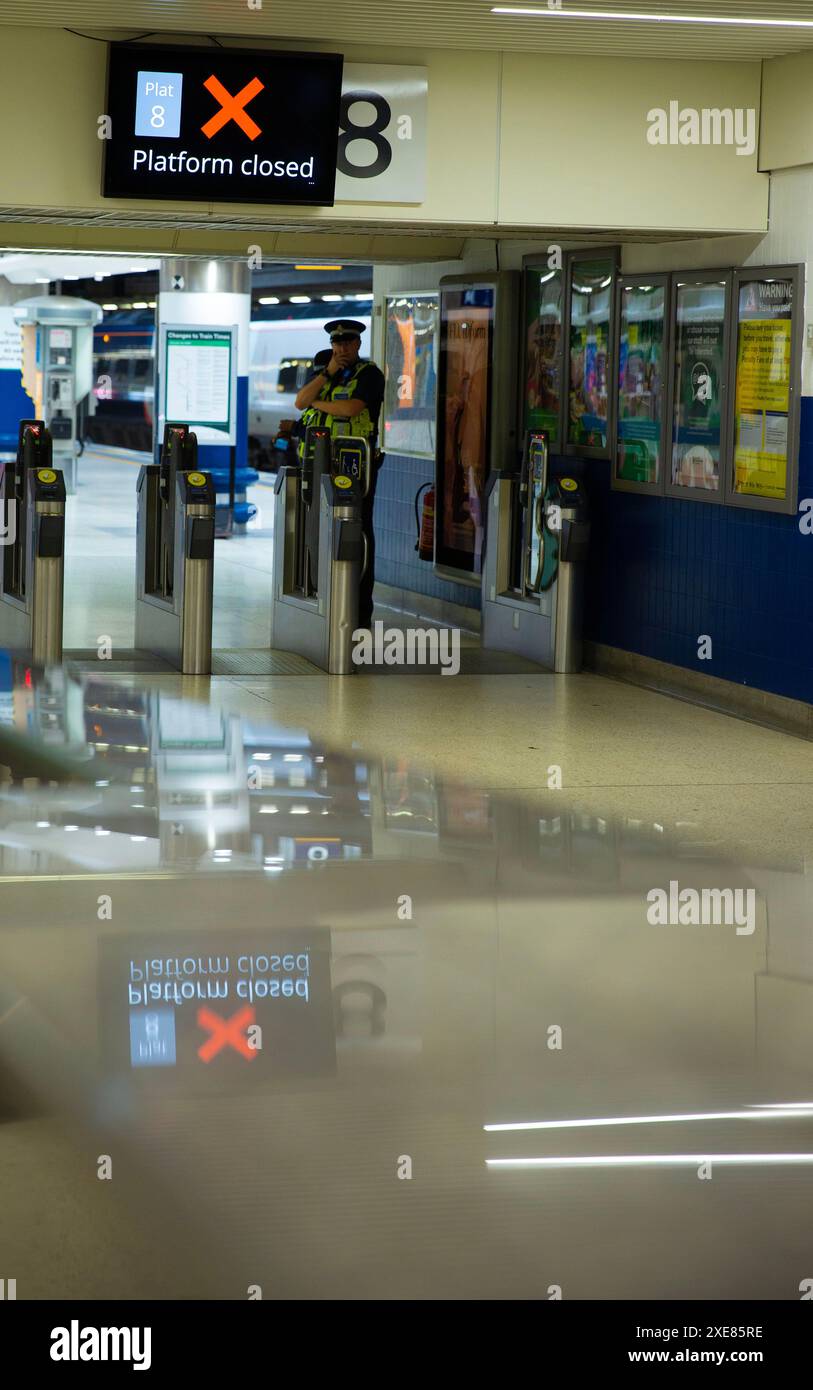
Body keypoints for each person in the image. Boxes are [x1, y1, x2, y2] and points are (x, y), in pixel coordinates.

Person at [294, 320, 385, 629]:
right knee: (318, 532)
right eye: (337, 343)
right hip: (320, 466)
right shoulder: (323, 372)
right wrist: (326, 374)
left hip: (357, 470)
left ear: (358, 344)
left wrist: (319, 402)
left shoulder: (369, 374)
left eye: (348, 343)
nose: (342, 348)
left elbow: (351, 409)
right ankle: (323, 602)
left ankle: (358, 617)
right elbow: (300, 402)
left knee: (356, 536)